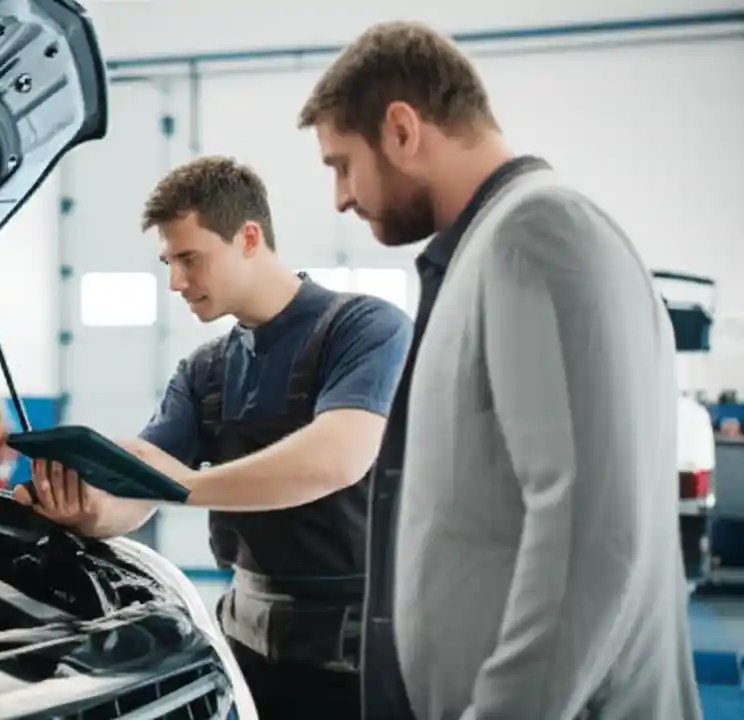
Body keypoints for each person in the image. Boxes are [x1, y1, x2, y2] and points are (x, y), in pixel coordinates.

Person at [296, 20, 702, 720]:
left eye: (341, 163)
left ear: (401, 130)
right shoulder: (490, 250)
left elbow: (592, 544)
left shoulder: (538, 234)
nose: (340, 196)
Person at [13, 155, 412, 719]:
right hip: (250, 647)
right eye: (168, 262)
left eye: (189, 259)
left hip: (366, 660)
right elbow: (140, 488)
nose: (176, 281)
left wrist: (179, 488)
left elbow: (337, 459)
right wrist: (88, 511)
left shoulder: (365, 328)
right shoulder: (205, 370)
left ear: (249, 237)